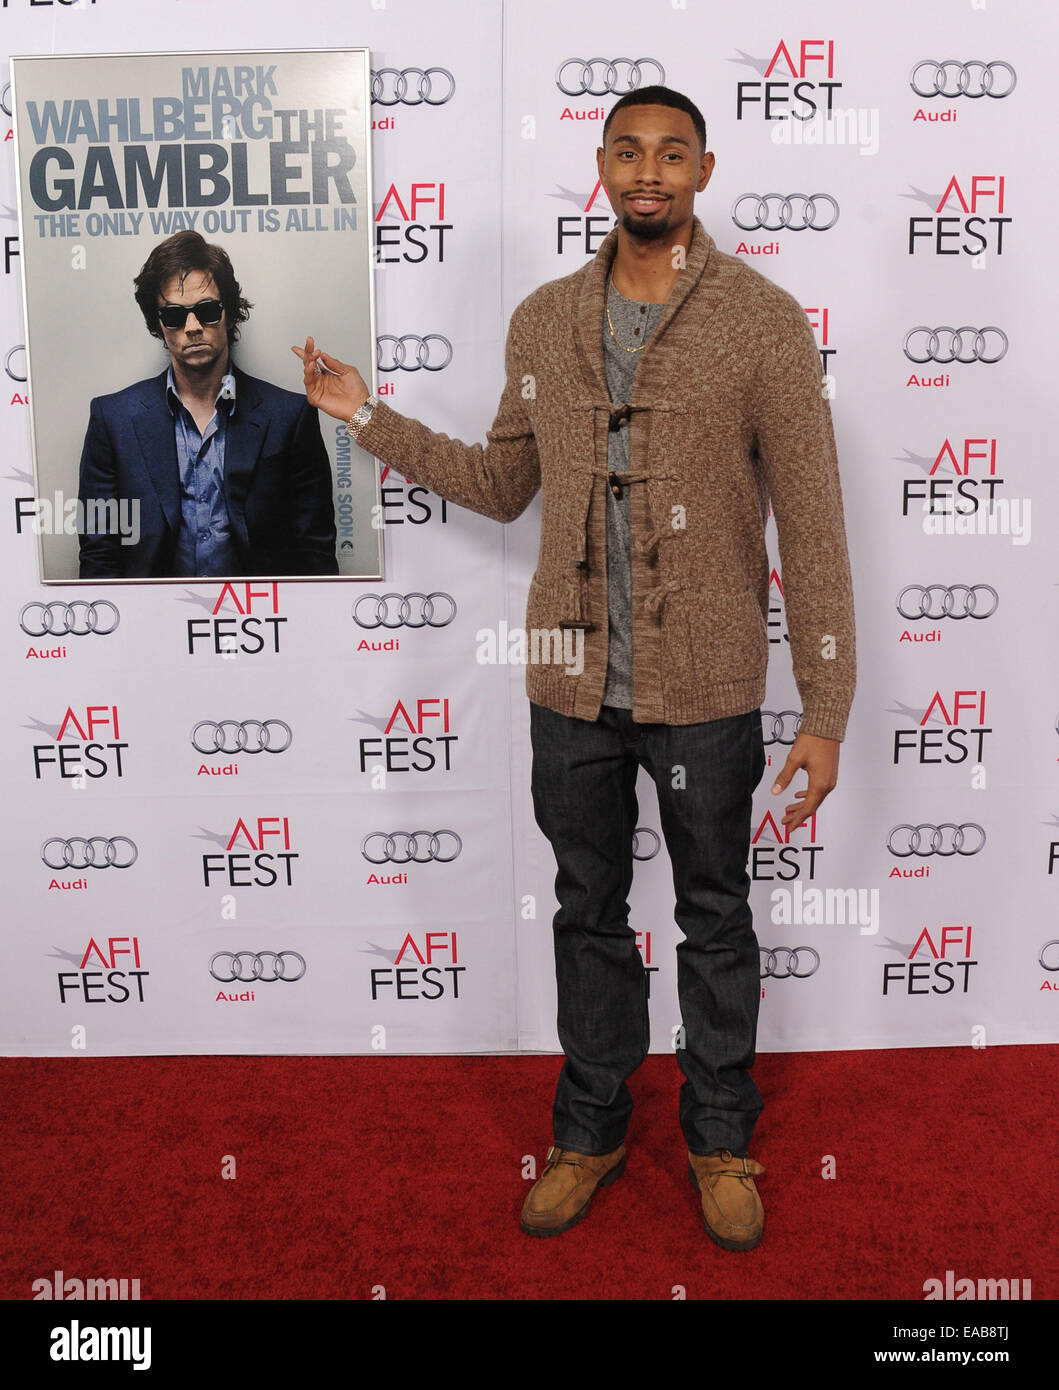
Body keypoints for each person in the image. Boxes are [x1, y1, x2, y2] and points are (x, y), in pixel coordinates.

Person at [295, 86, 856, 1250]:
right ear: (598, 166)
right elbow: (505, 485)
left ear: (704, 169)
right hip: (567, 679)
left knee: (714, 916)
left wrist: (828, 705)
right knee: (585, 912)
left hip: (707, 687)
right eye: (627, 151)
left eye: (672, 152)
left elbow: (811, 524)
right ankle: (591, 1128)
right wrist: (370, 418)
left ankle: (718, 1136)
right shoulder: (545, 320)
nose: (648, 171)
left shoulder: (765, 322)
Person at [78, 230, 338, 578]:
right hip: (148, 621)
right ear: (159, 324)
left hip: (264, 620)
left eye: (207, 310)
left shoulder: (290, 416)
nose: (193, 327)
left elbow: (315, 552)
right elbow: (98, 554)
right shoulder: (112, 420)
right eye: (174, 315)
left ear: (229, 312)